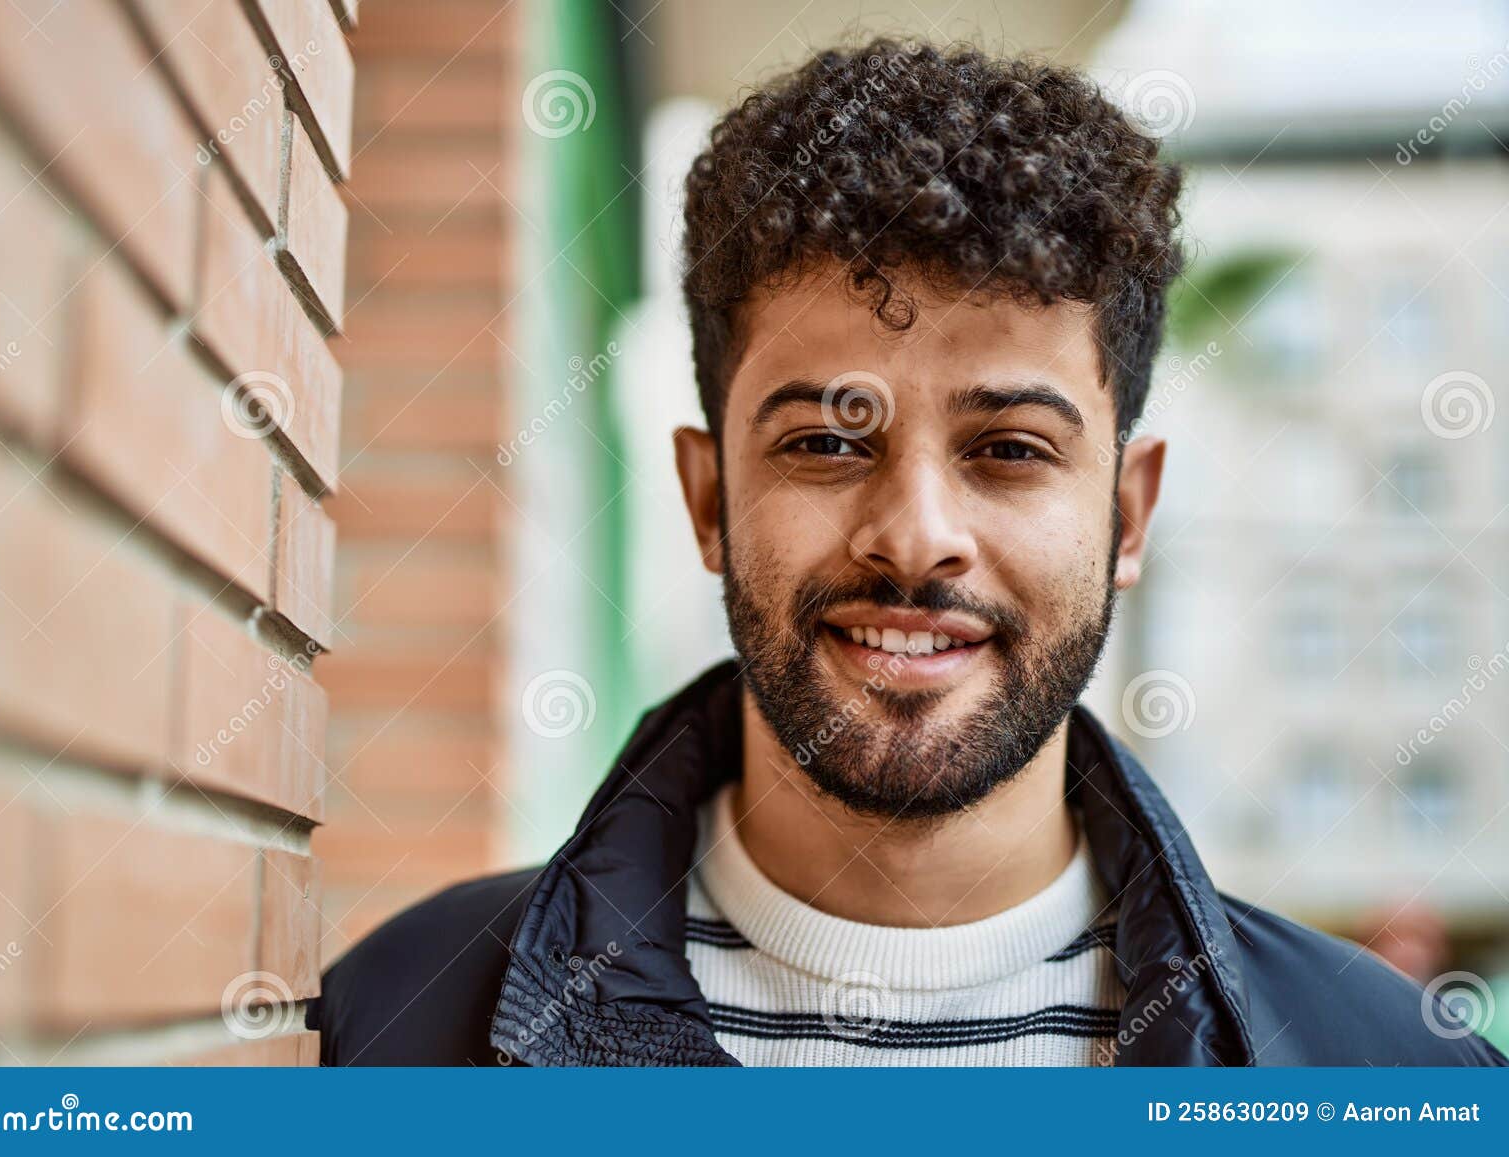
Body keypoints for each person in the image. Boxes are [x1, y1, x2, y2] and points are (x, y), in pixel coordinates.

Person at [308, 39, 1506, 1067]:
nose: (917, 536)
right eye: (829, 441)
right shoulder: (394, 1026)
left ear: (1127, 517)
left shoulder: (1401, 1072)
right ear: (708, 495)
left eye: (1010, 448)